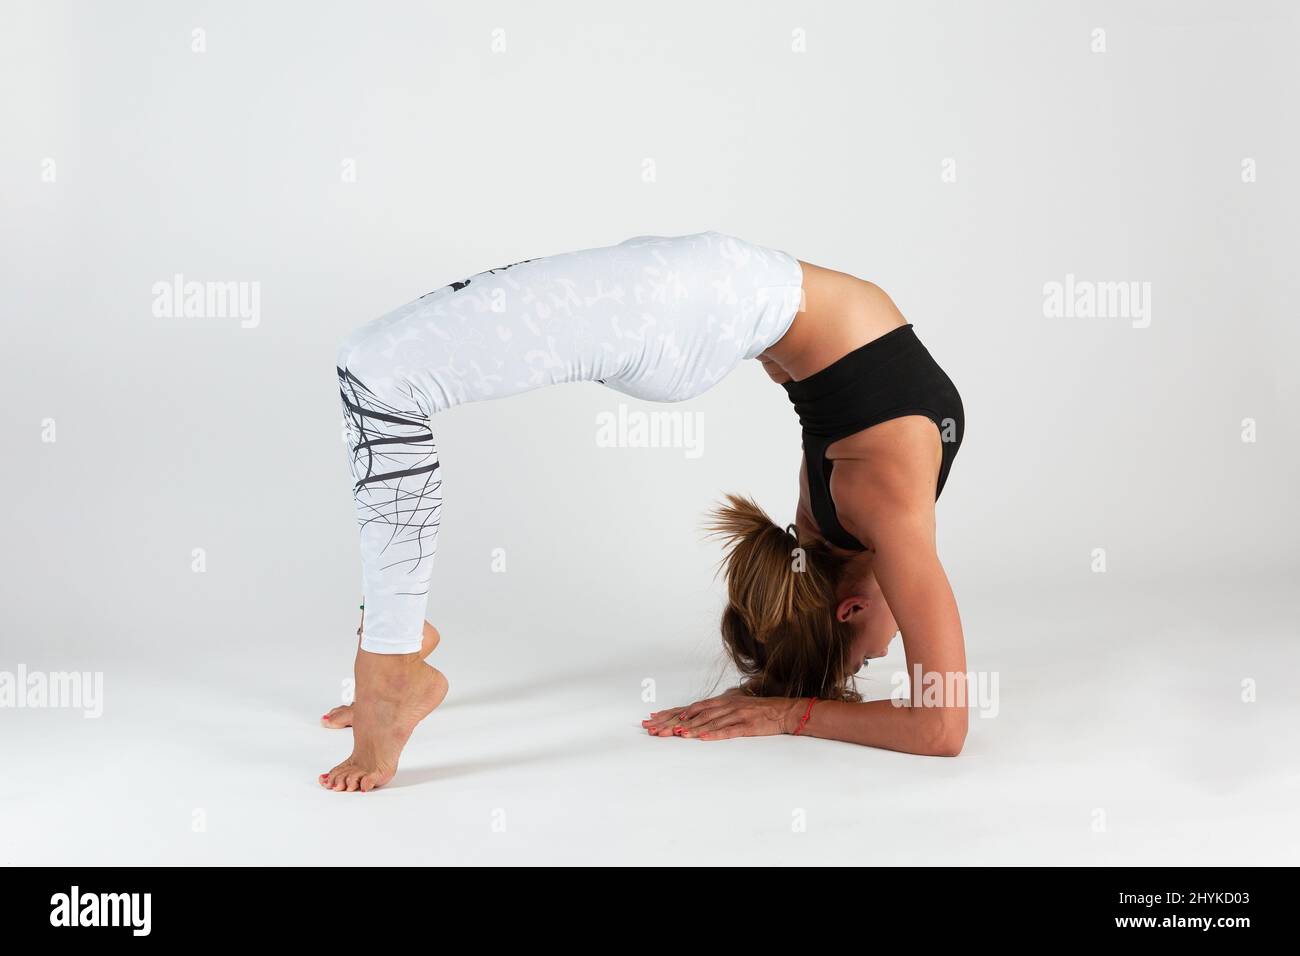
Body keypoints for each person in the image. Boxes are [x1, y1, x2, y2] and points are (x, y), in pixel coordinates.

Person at [321, 231, 966, 792]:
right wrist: (786, 702)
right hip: (697, 301)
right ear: (843, 610)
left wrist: (787, 706)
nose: (894, 645)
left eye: (873, 656)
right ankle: (395, 644)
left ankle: (390, 662)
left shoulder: (854, 525)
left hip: (692, 304)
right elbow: (939, 727)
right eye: (869, 662)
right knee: (380, 369)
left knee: (379, 374)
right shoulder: (875, 521)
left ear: (849, 608)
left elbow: (937, 725)